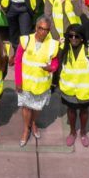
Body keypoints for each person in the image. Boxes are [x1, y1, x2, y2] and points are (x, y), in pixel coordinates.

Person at [13, 17, 59, 146]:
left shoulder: (53, 44)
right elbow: (18, 61)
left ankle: (33, 123)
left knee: (38, 108)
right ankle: (25, 129)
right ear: (36, 28)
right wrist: (18, 81)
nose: (43, 32)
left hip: (42, 84)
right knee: (26, 108)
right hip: (26, 84)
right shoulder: (26, 40)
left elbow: (55, 61)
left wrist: (52, 68)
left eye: (46, 29)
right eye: (41, 28)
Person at [55, 25, 89, 149]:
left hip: (85, 91)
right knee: (70, 110)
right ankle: (72, 132)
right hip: (68, 89)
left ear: (82, 38)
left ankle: (83, 132)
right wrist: (57, 83)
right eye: (71, 36)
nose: (73, 38)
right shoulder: (64, 49)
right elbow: (58, 66)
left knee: (84, 111)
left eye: (77, 36)